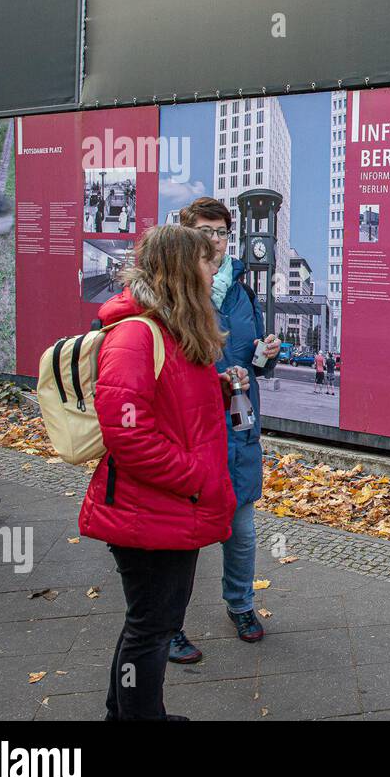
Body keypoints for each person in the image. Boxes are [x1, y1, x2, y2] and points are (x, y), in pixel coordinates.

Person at [78, 225, 237, 720]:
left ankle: (123, 713)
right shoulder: (135, 334)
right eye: (208, 263)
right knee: (151, 629)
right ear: (182, 271)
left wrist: (223, 392)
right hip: (150, 511)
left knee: (149, 625)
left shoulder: (172, 329)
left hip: (169, 510)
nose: (215, 272)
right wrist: (195, 478)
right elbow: (128, 436)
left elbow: (170, 409)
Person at [168, 197, 281, 663]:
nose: (215, 241)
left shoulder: (241, 291)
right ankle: (167, 624)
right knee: (181, 535)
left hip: (239, 426)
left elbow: (255, 361)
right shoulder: (172, 290)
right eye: (206, 231)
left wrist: (265, 353)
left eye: (221, 232)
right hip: (190, 431)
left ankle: (240, 605)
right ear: (186, 234)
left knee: (242, 529)